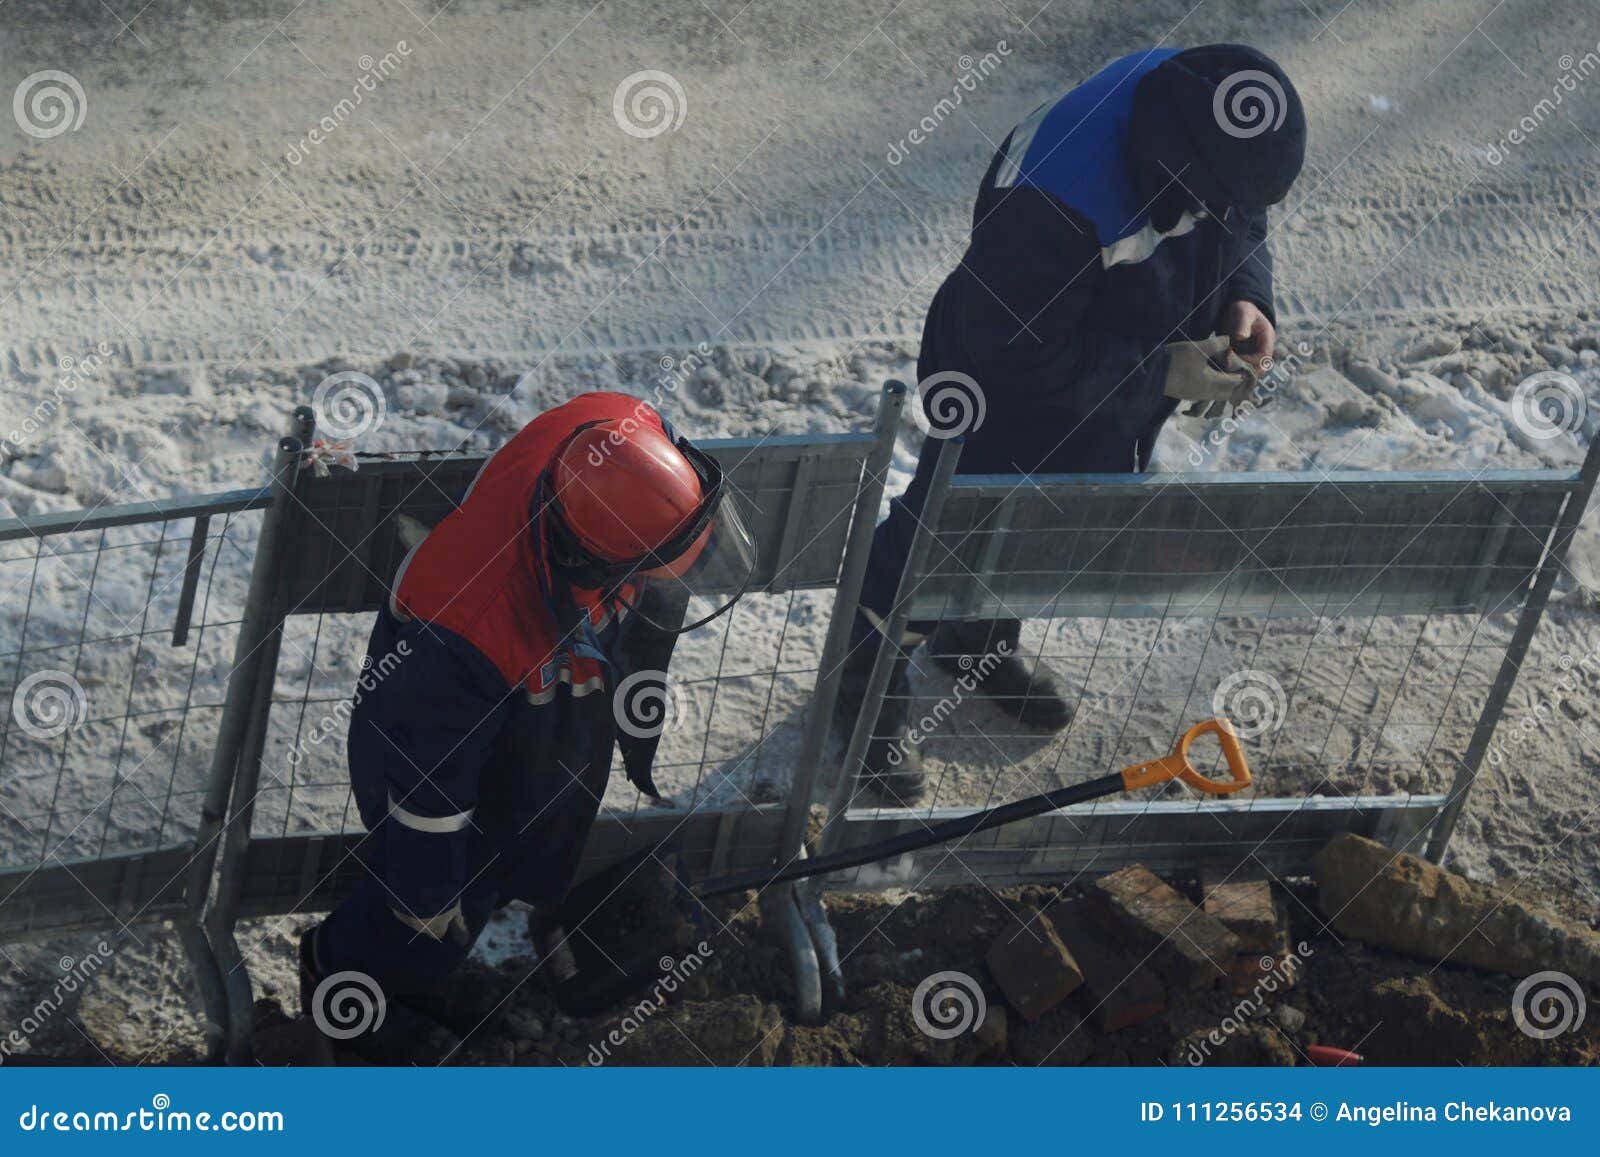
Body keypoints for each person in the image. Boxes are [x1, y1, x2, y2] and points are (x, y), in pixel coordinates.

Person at [839, 44, 1307, 804]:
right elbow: (1019, 355)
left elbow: (1242, 213)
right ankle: (864, 687)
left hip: (1112, 349)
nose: (1225, 213)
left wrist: (1246, 297)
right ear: (1173, 163)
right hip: (1000, 378)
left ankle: (976, 644)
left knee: (1036, 523)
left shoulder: (1211, 107)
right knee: (945, 527)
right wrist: (1160, 370)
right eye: (1212, 200)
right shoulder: (1055, 199)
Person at [297, 391, 755, 1061]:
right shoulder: (468, 621)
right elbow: (428, 774)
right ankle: (342, 984)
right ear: (592, 564)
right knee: (446, 893)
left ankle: (420, 971)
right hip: (437, 734)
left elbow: (653, 569)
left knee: (507, 846)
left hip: (531, 701)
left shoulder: (618, 428)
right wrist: (427, 893)